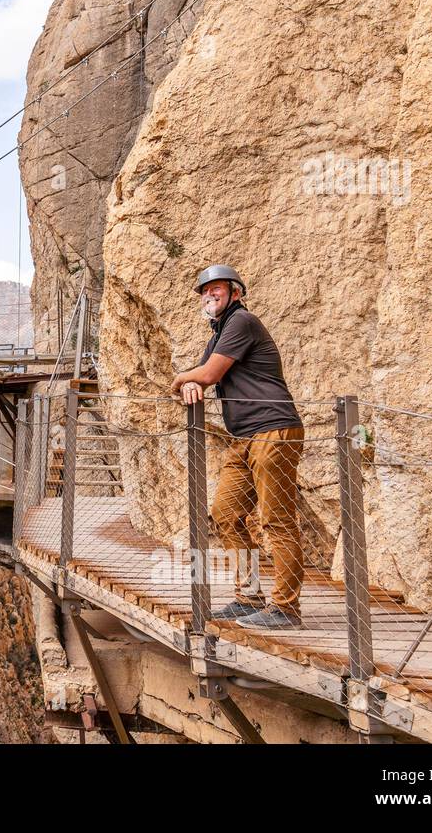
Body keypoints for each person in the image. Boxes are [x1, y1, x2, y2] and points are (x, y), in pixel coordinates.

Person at [170, 265, 306, 630]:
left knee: (276, 519)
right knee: (226, 513)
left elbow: (209, 375)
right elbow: (203, 373)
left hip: (273, 431)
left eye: (216, 289)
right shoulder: (219, 334)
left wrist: (184, 378)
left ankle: (286, 608)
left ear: (235, 293)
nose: (209, 295)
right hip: (244, 438)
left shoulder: (241, 322)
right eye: (204, 291)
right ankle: (249, 597)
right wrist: (189, 384)